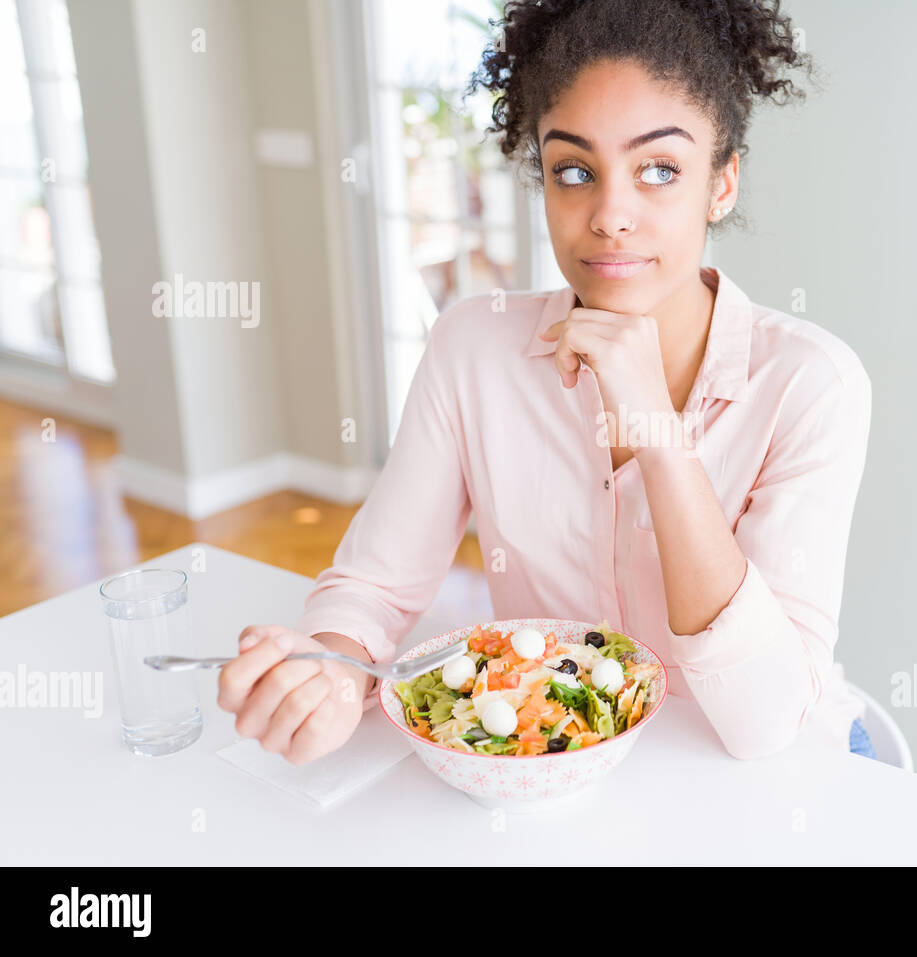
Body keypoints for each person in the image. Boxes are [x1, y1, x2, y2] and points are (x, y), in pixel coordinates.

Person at [218, 0, 875, 766]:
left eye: (659, 170)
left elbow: (763, 724)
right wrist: (329, 671)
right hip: (558, 781)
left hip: (770, 778)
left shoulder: (811, 385)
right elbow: (374, 588)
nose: (610, 215)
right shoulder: (473, 350)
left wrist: (658, 435)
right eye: (574, 171)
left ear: (722, 183)